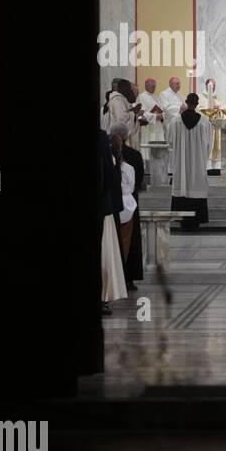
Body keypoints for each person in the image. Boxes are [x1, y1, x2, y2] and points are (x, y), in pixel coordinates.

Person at [168, 92, 213, 231]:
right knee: (196, 186)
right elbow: (209, 145)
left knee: (182, 186)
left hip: (180, 164)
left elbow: (170, 142)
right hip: (197, 164)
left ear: (186, 103)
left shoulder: (175, 121)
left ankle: (183, 222)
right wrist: (202, 158)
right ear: (197, 104)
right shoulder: (205, 122)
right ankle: (196, 222)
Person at [112, 122, 145, 289]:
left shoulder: (108, 152)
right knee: (131, 241)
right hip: (131, 202)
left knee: (113, 240)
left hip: (112, 203)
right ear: (126, 136)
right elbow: (139, 180)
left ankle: (114, 278)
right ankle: (130, 278)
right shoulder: (134, 155)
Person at [99, 128, 127, 313]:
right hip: (100, 208)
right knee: (103, 256)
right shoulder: (101, 138)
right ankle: (102, 298)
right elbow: (111, 177)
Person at [100, 79, 143, 149]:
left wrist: (134, 113)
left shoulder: (122, 99)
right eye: (131, 89)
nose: (132, 92)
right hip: (118, 140)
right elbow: (122, 119)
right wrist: (134, 114)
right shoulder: (118, 100)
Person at [137, 77, 168, 151]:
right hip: (148, 127)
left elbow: (162, 110)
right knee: (149, 150)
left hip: (158, 126)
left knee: (159, 151)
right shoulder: (141, 97)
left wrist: (162, 115)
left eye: (155, 86)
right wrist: (155, 116)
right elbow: (141, 114)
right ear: (146, 86)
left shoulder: (157, 97)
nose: (154, 88)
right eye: (152, 86)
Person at [200, 77, 222, 171]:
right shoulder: (201, 97)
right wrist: (212, 107)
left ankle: (215, 166)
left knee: (216, 144)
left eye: (213, 86)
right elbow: (199, 109)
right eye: (210, 85)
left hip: (215, 126)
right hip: (205, 125)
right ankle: (207, 166)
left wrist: (219, 109)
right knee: (207, 144)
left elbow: (220, 111)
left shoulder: (215, 98)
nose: (212, 87)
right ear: (206, 86)